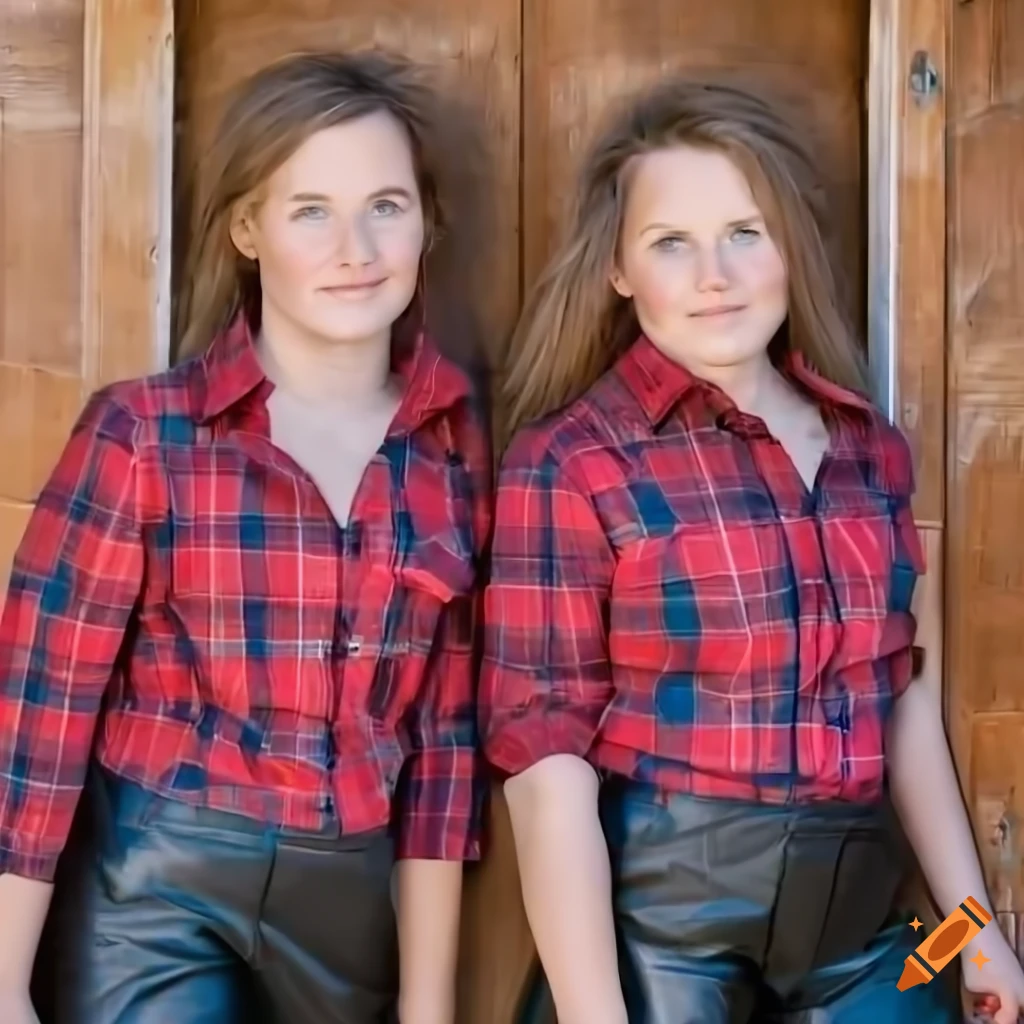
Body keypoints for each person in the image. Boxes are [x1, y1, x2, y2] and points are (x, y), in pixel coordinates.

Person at [480, 78, 1024, 1024]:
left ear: (791, 242)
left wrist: (975, 935)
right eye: (670, 244)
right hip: (663, 947)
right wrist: (594, 1015)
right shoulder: (571, 461)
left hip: (863, 945)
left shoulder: (869, 452)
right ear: (618, 269)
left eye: (745, 231)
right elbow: (545, 768)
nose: (714, 275)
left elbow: (902, 708)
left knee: (920, 989)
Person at [0, 50, 490, 1024]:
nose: (355, 245)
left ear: (425, 223)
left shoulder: (452, 447)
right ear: (247, 227)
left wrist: (428, 1006)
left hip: (350, 906)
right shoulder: (144, 434)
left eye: (385, 206)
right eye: (311, 209)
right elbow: (37, 716)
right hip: (160, 886)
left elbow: (445, 747)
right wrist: (4, 980)